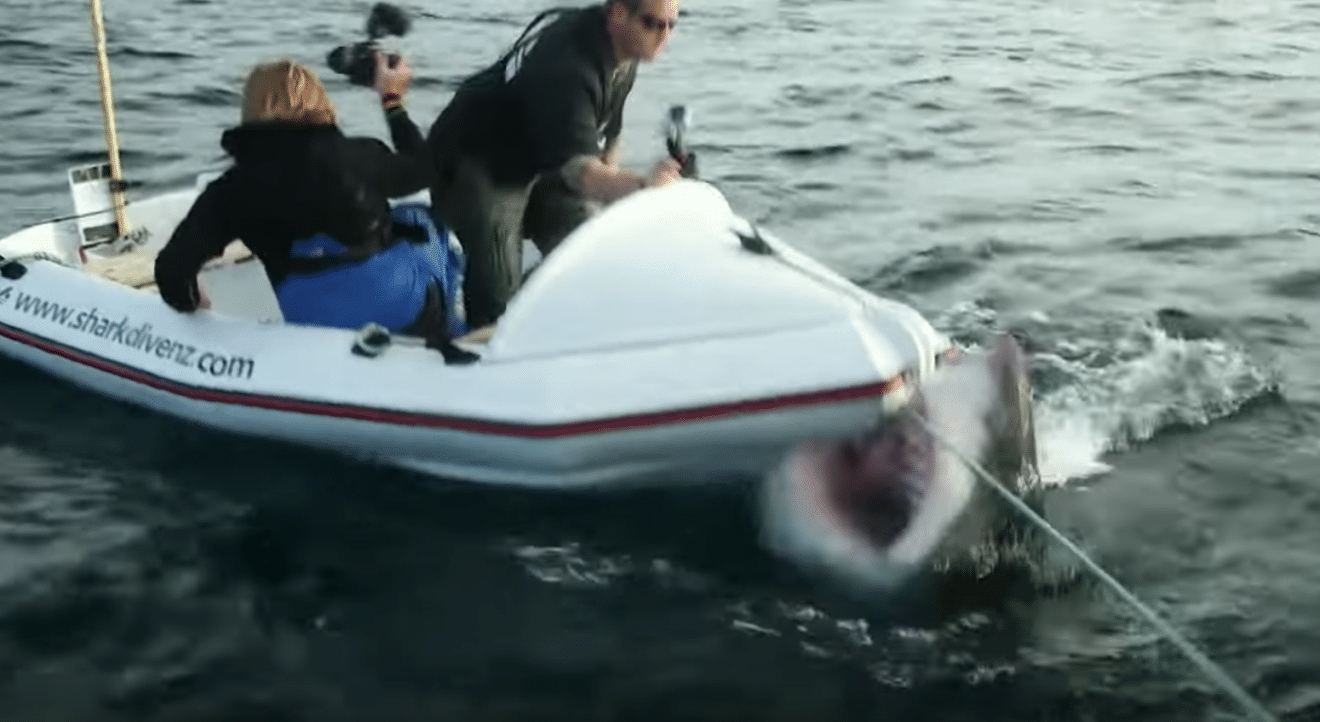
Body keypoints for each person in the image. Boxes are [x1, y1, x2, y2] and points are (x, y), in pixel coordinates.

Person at [154, 54, 471, 350]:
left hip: (312, 317)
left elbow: (171, 271)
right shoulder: (360, 155)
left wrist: (193, 300)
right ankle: (447, 329)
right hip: (395, 302)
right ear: (320, 102)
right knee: (422, 219)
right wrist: (392, 101)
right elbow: (424, 169)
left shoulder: (229, 190)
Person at [426, 0, 686, 329]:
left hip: (543, 157)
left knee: (590, 259)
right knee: (497, 311)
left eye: (671, 25)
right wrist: (644, 187)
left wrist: (613, 209)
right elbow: (582, 174)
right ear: (619, 13)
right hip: (480, 161)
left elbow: (608, 141)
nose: (664, 37)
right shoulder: (570, 64)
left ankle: (533, 307)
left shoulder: (624, 49)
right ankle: (490, 322)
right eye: (654, 24)